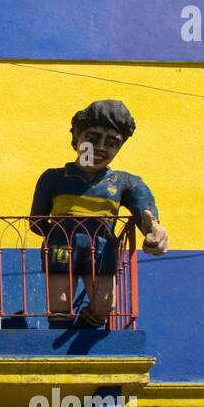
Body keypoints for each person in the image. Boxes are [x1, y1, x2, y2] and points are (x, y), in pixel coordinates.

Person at [30, 100, 167, 328]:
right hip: (62, 246)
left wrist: (154, 230)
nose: (101, 148)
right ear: (76, 139)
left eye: (112, 143)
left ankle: (84, 332)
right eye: (92, 139)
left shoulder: (124, 182)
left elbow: (145, 210)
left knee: (104, 304)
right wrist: (57, 234)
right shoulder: (54, 178)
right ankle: (60, 344)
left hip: (102, 248)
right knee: (60, 304)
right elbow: (36, 221)